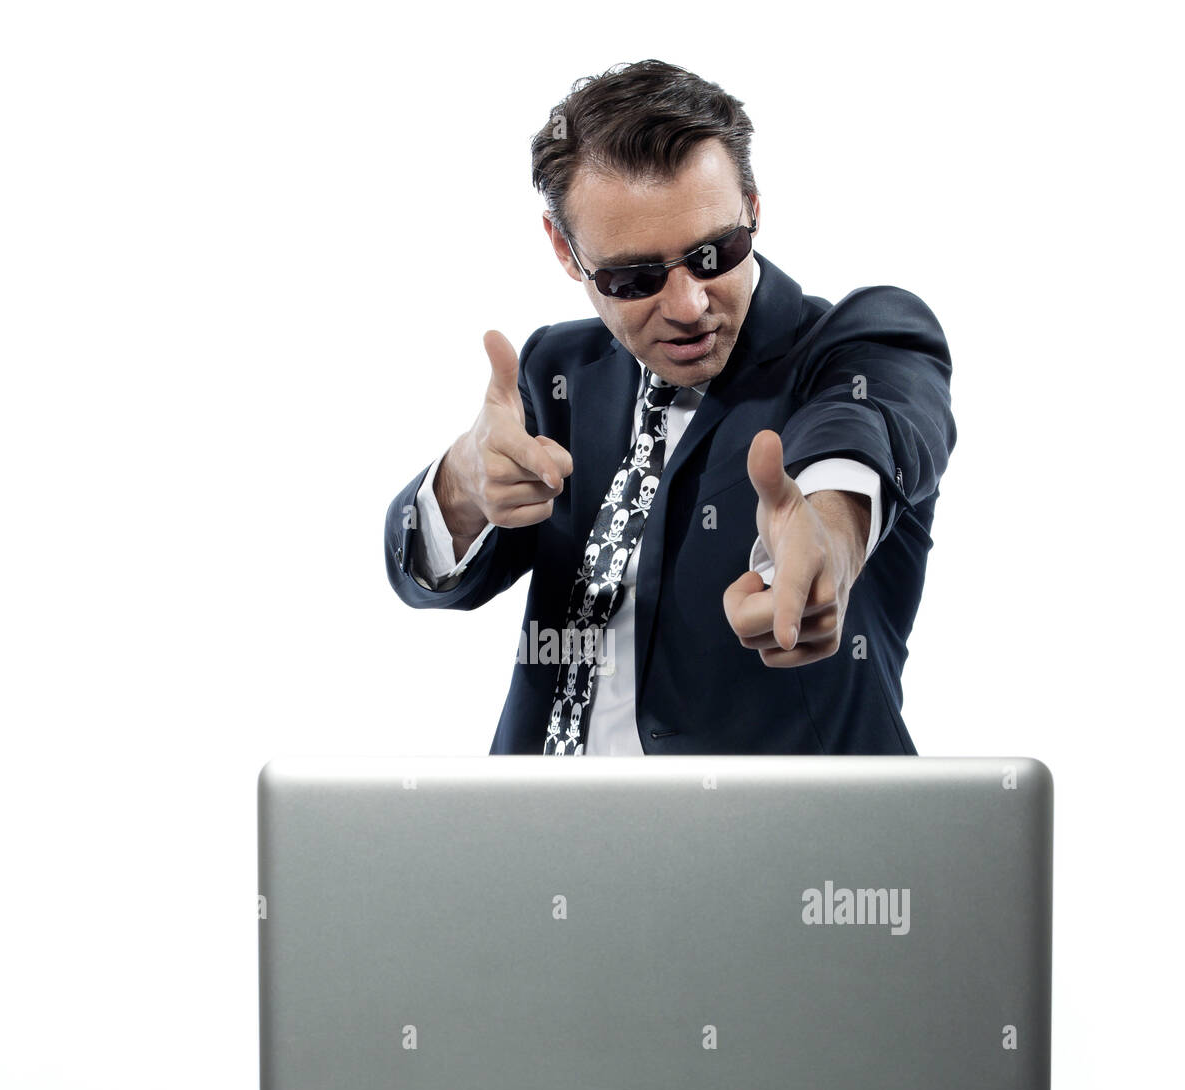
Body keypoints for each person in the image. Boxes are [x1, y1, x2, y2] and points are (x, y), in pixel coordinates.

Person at [384, 58, 954, 762]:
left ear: (752, 204)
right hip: (540, 842)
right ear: (566, 251)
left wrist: (828, 534)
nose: (687, 307)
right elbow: (422, 573)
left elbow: (864, 434)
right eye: (634, 277)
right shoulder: (556, 371)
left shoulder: (858, 344)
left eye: (715, 254)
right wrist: (464, 484)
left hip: (782, 856)